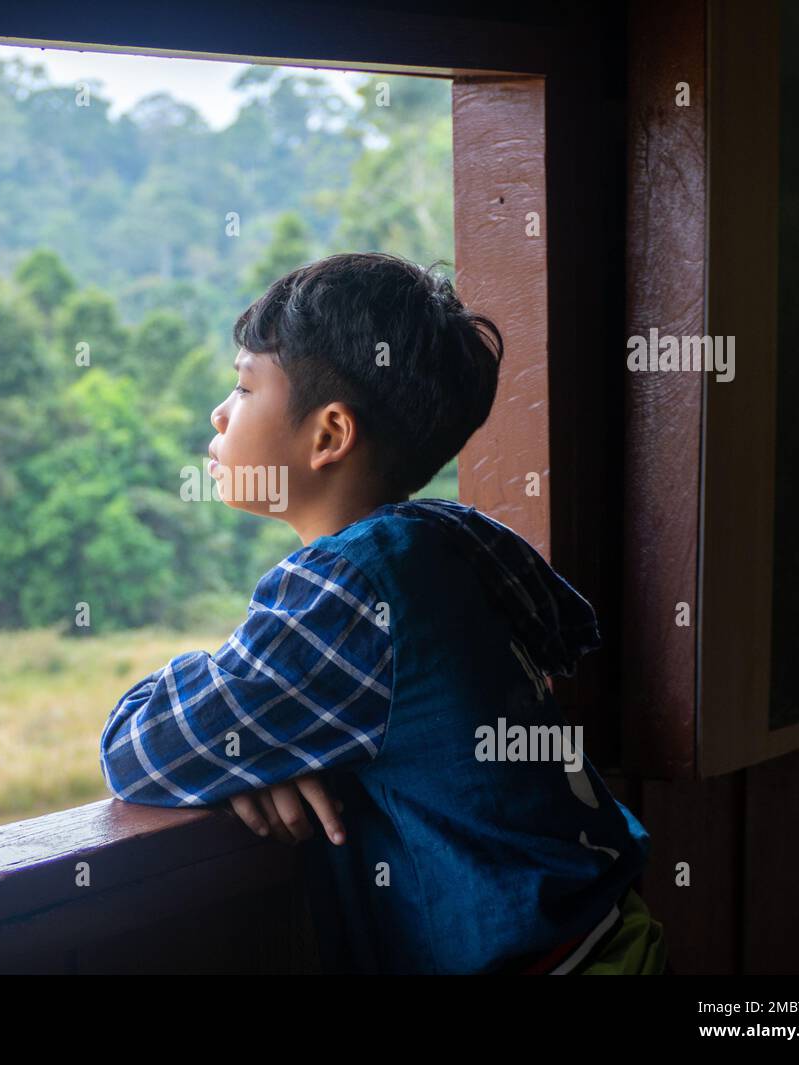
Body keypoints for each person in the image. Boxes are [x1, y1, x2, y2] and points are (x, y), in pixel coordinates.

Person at [99, 251, 667, 974]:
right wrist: (272, 740)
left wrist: (254, 735)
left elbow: (139, 747)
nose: (219, 410)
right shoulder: (446, 539)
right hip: (613, 935)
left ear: (330, 434)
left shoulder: (345, 592)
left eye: (243, 386)